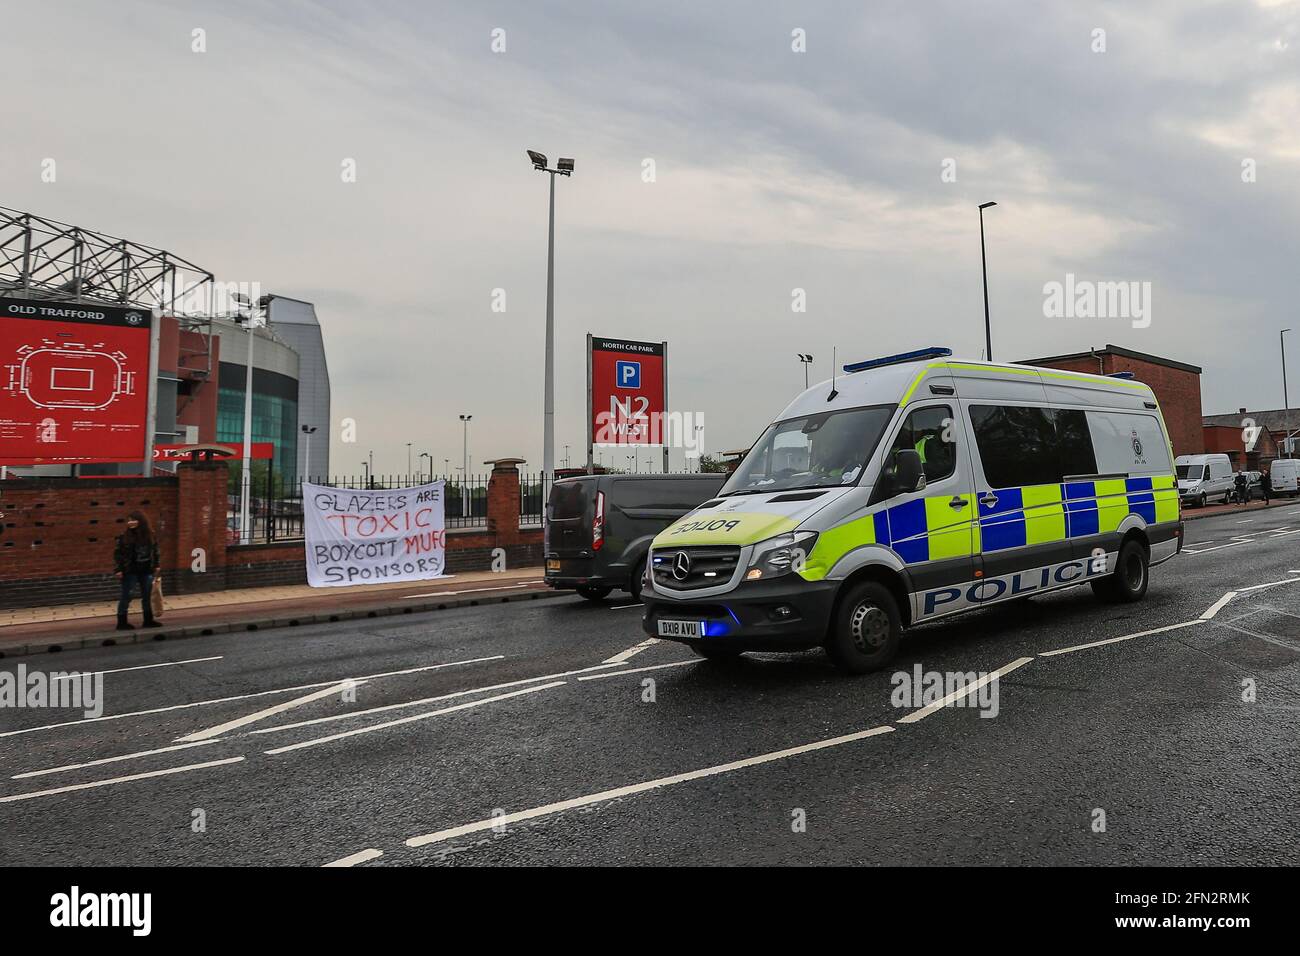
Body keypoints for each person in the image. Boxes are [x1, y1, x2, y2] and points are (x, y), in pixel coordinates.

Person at [114, 510, 161, 630]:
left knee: (147, 596)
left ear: (141, 521)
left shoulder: (150, 535)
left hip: (146, 570)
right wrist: (118, 569)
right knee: (127, 596)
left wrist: (156, 565)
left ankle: (148, 620)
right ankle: (122, 622)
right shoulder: (124, 537)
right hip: (130, 571)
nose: (130, 522)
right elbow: (118, 554)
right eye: (129, 520)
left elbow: (155, 551)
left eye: (133, 520)